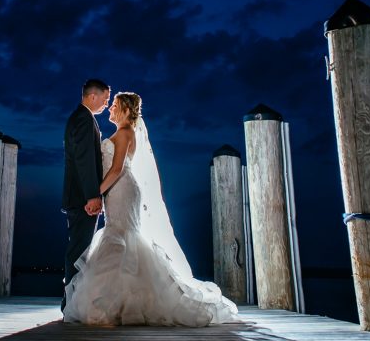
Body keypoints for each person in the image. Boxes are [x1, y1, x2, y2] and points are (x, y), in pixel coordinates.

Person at [63, 92, 240, 326]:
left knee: (122, 236)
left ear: (126, 110)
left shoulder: (126, 133)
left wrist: (97, 193)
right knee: (119, 236)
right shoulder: (122, 132)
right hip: (116, 191)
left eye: (114, 105)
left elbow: (116, 170)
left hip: (122, 188)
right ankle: (118, 300)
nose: (110, 109)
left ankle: (125, 302)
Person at [61, 78, 111, 311]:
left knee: (80, 249)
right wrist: (93, 195)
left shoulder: (81, 118)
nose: (106, 103)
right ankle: (71, 303)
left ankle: (73, 301)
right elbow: (84, 160)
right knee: (79, 251)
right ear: (93, 96)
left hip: (80, 196)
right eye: (105, 98)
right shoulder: (83, 119)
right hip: (82, 198)